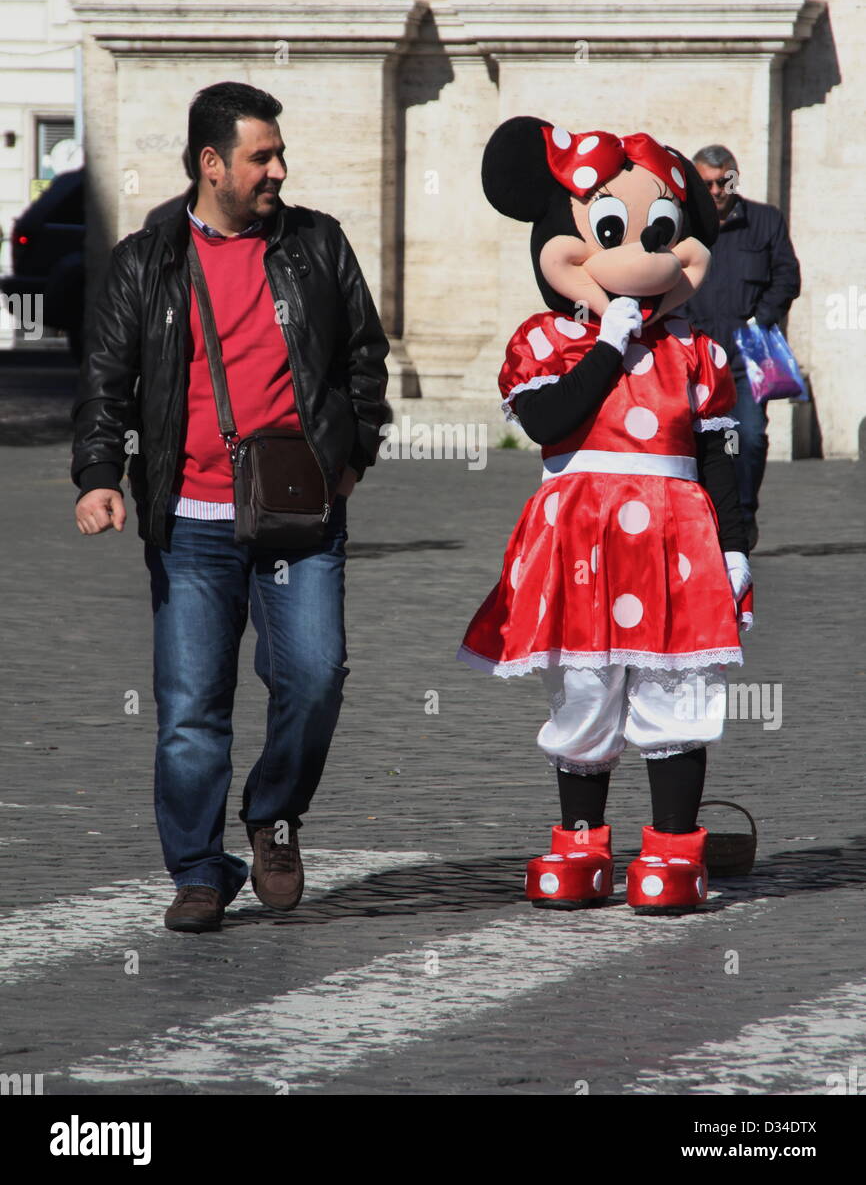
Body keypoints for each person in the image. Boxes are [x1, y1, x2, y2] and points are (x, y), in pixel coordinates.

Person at [72, 81, 390, 934]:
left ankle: (274, 816)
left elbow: (366, 356)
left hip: (302, 517)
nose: (278, 170)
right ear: (211, 163)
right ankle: (198, 870)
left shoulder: (316, 245)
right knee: (189, 712)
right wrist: (100, 474)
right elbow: (107, 382)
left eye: (279, 155)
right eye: (262, 156)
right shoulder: (149, 259)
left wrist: (352, 457)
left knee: (315, 677)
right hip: (189, 522)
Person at [458, 118, 752, 913]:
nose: (639, 256)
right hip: (582, 535)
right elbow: (552, 423)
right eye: (611, 231)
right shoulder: (547, 340)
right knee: (585, 689)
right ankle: (581, 845)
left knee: (672, 688)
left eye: (660, 232)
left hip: (676, 532)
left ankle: (672, 852)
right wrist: (606, 348)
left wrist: (736, 544)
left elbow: (722, 455)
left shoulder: (697, 352)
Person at [673, 145, 801, 549]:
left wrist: (760, 319)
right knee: (693, 441)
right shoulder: (680, 227)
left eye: (722, 180)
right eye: (706, 182)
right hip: (694, 355)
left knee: (749, 437)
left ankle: (743, 517)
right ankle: (703, 520)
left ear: (736, 178)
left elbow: (786, 278)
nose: (715, 190)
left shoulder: (765, 221)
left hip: (748, 356)